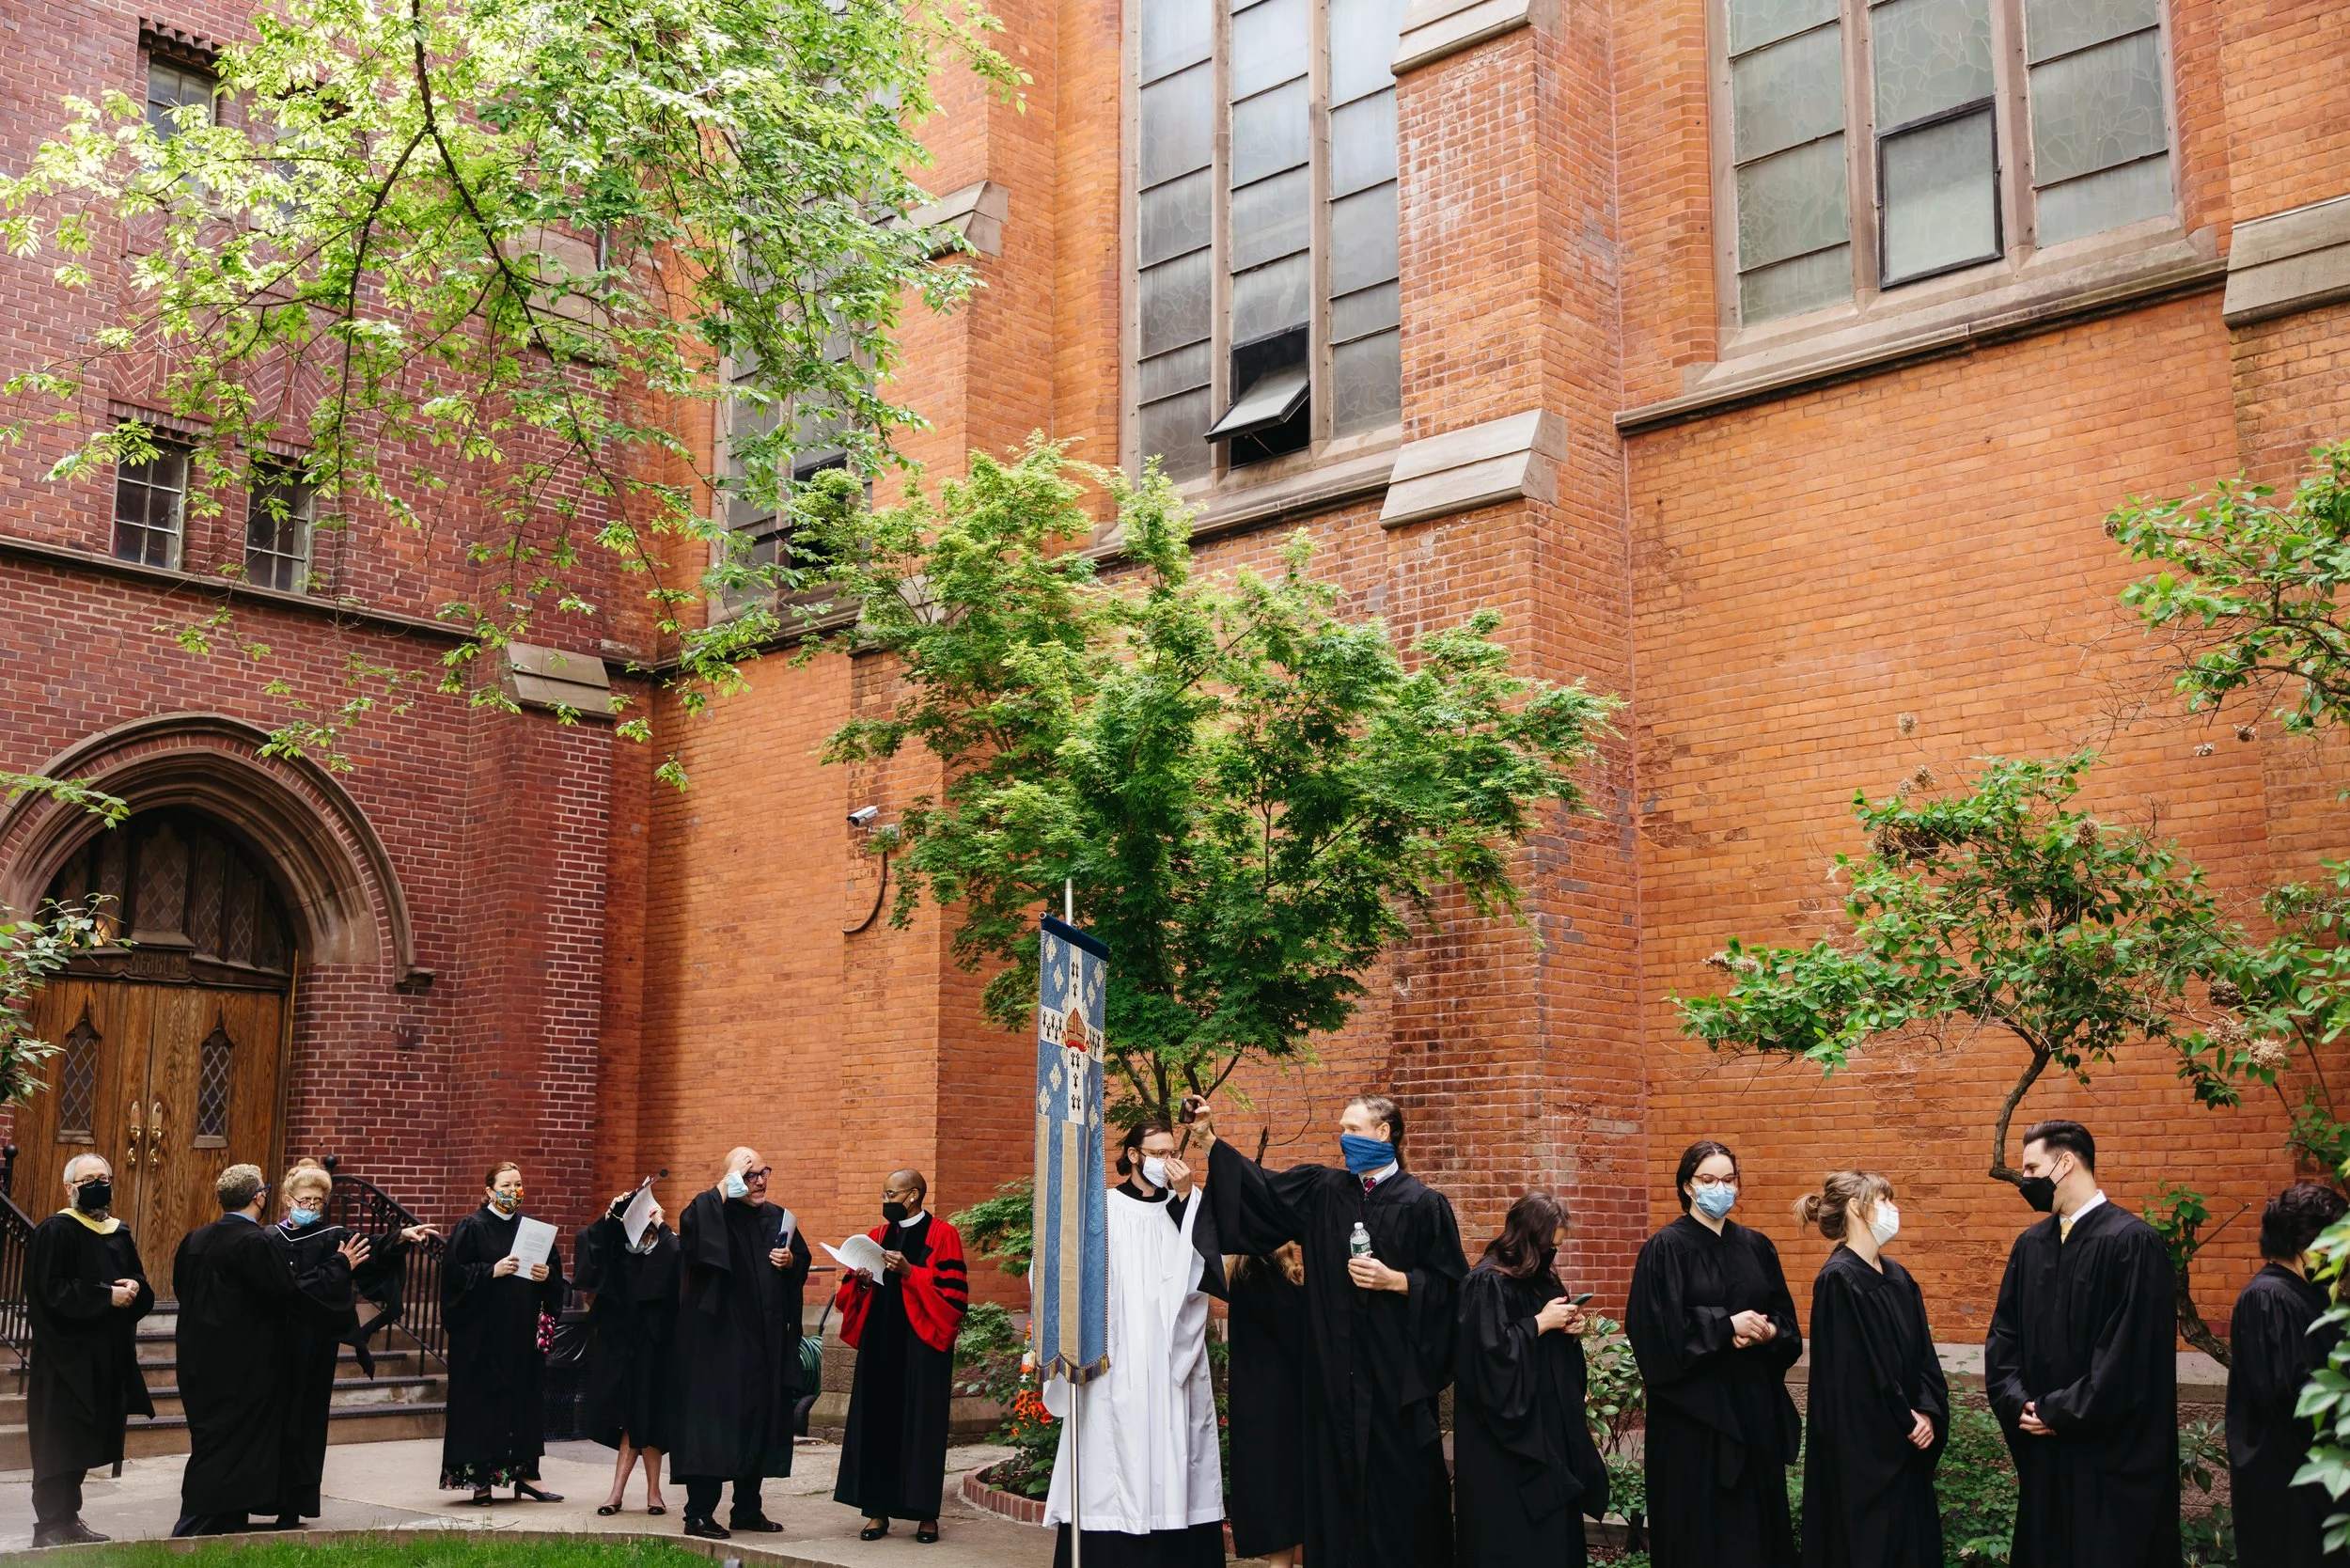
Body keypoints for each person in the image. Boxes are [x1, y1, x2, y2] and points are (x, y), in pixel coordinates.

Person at [1193, 1092, 1467, 1568]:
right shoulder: (1323, 1191)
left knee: (1399, 1495)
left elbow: (1454, 1289)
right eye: (1342, 1128)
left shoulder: (1423, 1205)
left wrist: (1399, 1281)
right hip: (1333, 1388)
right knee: (1334, 1497)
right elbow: (1260, 1190)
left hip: (1393, 1386)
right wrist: (1208, 1138)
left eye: (1354, 1129)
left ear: (1385, 1133)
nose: (1344, 1138)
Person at [1984, 1120, 2179, 1568]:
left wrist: (2059, 1412)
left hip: (2108, 1462)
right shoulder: (2030, 1246)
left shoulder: (2133, 1244)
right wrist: (2020, 1404)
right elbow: (2003, 1337)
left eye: (2032, 1168)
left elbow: (2129, 1355)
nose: (2025, 1180)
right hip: (2045, 1454)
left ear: (2066, 1162)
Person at [1043, 1121, 1225, 1567]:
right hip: (1114, 1358)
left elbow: (1209, 1269)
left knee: (1176, 1453)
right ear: (1134, 1155)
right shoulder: (1099, 1210)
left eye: (1172, 1153)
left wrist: (1185, 1198)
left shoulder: (1187, 1209)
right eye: (1158, 1153)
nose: (1168, 1163)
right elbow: (1057, 1272)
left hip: (1168, 1360)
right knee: (1109, 1451)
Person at [1625, 1138, 1802, 1568]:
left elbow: (1787, 1320)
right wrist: (1725, 1328)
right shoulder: (1666, 1248)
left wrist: (1767, 1330)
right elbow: (1654, 1334)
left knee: (1758, 1530)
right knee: (1704, 1533)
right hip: (1697, 1418)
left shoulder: (1756, 1246)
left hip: (1753, 1408)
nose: (1719, 1188)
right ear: (1688, 1185)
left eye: (1728, 1179)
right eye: (1708, 1179)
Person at [173, 1163, 368, 1536]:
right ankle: (197, 1523)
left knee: (209, 1438)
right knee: (234, 1442)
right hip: (245, 1361)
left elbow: (183, 1289)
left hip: (198, 1358)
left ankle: (224, 1517)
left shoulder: (195, 1239)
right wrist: (339, 1267)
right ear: (260, 1197)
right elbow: (290, 1294)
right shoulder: (257, 1242)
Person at [1794, 1169, 1947, 1568]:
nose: (1893, 1208)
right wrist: (1905, 1417)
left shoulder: (1898, 1276)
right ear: (1856, 1208)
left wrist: (1928, 1410)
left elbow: (1925, 1355)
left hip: (1909, 1443)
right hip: (1866, 1451)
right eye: (1884, 1200)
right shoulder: (1839, 1280)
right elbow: (1856, 1374)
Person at [1453, 1190, 1611, 1568]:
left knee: (1555, 1537)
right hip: (1504, 1445)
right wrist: (1540, 1323)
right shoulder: (1486, 1283)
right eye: (1547, 1246)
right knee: (1510, 1537)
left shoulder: (1544, 1279)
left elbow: (1553, 1358)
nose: (1552, 1255)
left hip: (1548, 1431)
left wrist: (1567, 1332)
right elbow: (1485, 1361)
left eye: (1557, 1247)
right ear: (1526, 1238)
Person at [666, 1146, 812, 1541]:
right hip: (720, 1344)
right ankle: (698, 1514)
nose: (760, 1180)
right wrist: (725, 1186)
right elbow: (693, 1237)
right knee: (714, 1426)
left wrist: (790, 1264)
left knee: (759, 1423)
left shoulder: (780, 1218)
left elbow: (800, 1262)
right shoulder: (710, 1211)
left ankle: (747, 1509)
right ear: (731, 1180)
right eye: (749, 1174)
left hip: (765, 1343)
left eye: (764, 1172)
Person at [833, 1168, 971, 1544]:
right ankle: (877, 1512)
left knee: (921, 1428)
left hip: (922, 1346)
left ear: (913, 1195)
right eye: (883, 1194)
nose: (885, 1201)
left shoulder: (943, 1235)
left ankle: (925, 1516)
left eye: (890, 1194)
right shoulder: (877, 1237)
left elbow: (954, 1295)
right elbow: (850, 1295)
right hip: (881, 1343)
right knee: (877, 1426)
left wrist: (912, 1272)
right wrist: (860, 1280)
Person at [25, 1153, 153, 1548]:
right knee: (57, 1440)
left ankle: (69, 1518)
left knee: (81, 1441)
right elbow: (50, 1292)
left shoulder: (119, 1233)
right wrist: (105, 1297)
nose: (98, 1184)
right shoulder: (55, 1231)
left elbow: (140, 1284)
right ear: (69, 1188)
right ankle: (48, 1525)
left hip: (105, 1357)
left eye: (103, 1177)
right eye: (88, 1179)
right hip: (65, 1359)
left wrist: (133, 1289)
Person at [2227, 1180, 2349, 1567]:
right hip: (2288, 1488)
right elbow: (2296, 1397)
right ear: (2308, 1243)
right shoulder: (2269, 1298)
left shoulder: (2308, 1294)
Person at [441, 1160, 568, 1504]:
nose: (513, 1191)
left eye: (518, 1184)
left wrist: (547, 1277)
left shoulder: (533, 1228)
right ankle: (481, 1479)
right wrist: (489, 1272)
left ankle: (526, 1475)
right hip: (481, 1340)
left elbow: (556, 1280)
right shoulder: (471, 1227)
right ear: (489, 1192)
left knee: (524, 1404)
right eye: (506, 1185)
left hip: (521, 1335)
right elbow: (452, 1279)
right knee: (482, 1406)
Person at [575, 1186, 680, 1516]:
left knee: (646, 1415)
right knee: (631, 1417)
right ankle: (643, 1494)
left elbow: (678, 1260)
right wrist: (609, 1216)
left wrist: (661, 1224)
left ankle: (631, 1493)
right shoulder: (619, 1247)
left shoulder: (665, 1244)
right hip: (621, 1344)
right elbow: (588, 1248)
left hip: (655, 1345)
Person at [1222, 1240, 1306, 1567]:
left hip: (1257, 1404)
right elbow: (1296, 1332)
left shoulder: (1243, 1270)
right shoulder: (1263, 1270)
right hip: (1277, 1408)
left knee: (1276, 1505)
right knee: (1281, 1503)